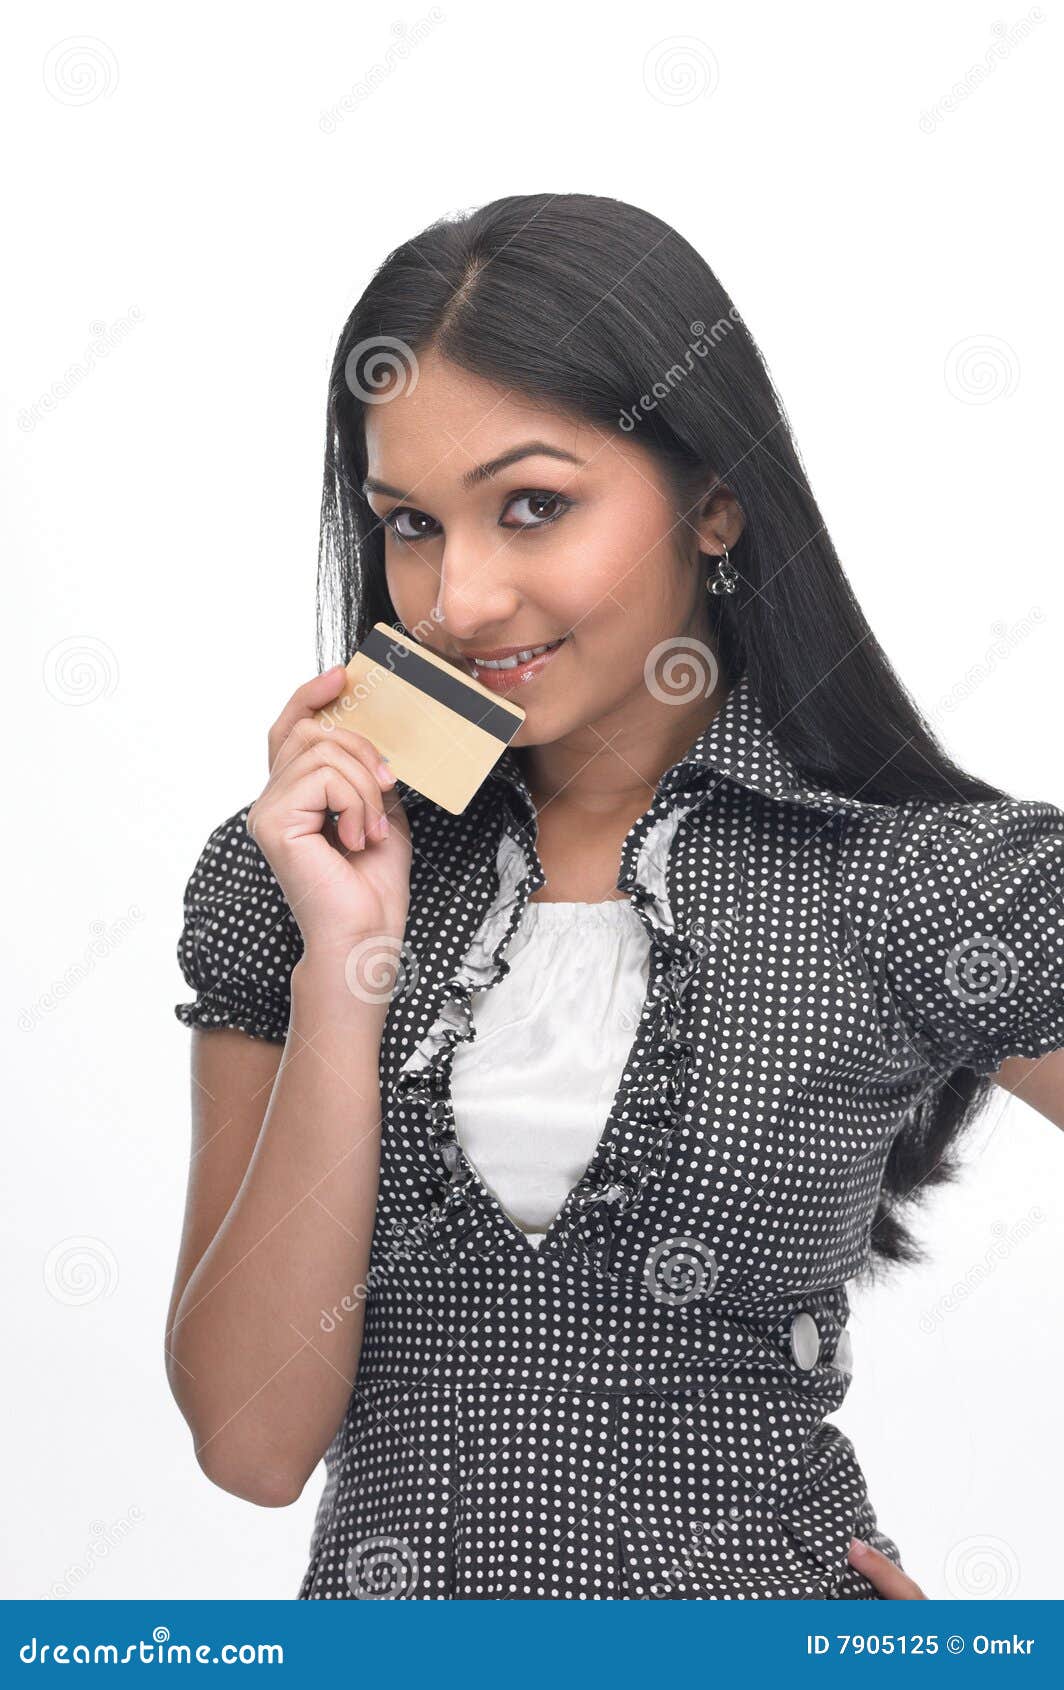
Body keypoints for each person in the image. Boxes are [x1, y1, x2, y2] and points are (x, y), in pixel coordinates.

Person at [166, 193, 1064, 1601]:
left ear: (716, 498)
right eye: (410, 523)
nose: (457, 598)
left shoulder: (912, 877)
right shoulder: (291, 877)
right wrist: (345, 957)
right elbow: (253, 1439)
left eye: (536, 506)